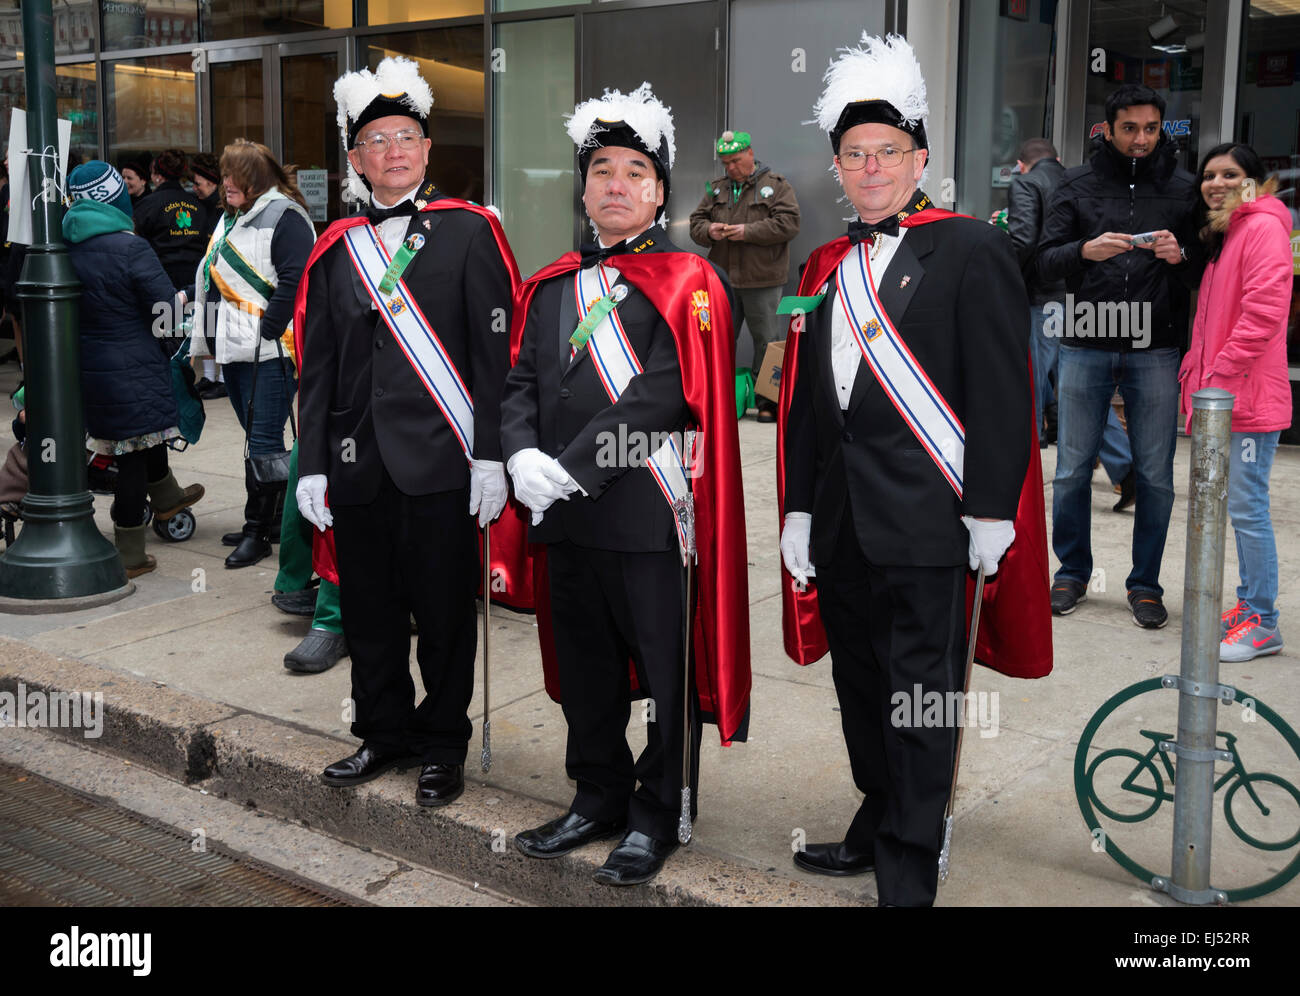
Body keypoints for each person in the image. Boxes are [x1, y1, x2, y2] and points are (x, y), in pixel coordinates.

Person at [777, 34, 1037, 907]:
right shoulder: (822, 267)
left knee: (922, 696)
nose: (870, 167)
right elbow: (810, 406)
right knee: (860, 684)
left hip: (934, 519)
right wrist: (799, 511)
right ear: (837, 168)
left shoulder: (968, 249)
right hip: (844, 516)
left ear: (920, 159)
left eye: (888, 152)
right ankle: (876, 812)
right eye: (854, 155)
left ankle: (911, 853)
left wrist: (991, 506)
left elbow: (1003, 389)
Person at [502, 83, 750, 887]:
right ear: (583, 186)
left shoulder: (691, 281)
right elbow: (519, 386)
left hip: (646, 513)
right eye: (602, 168)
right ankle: (596, 795)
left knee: (665, 675)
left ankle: (658, 812)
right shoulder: (549, 285)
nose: (616, 183)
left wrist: (567, 469)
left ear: (659, 191)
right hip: (563, 518)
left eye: (635, 171)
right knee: (587, 672)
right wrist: (517, 457)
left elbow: (667, 394)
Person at [294, 57, 518, 807]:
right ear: (354, 159)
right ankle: (383, 731)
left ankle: (442, 744)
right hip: (358, 464)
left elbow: (497, 356)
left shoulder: (470, 232)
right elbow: (319, 365)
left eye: (407, 136)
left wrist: (492, 455)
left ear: (427, 149)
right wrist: (315, 464)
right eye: (377, 140)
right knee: (370, 610)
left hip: (443, 462)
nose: (394, 150)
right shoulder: (336, 245)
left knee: (445, 612)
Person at [1036, 83, 1200, 628]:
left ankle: (1145, 585)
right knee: (1072, 469)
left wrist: (1182, 256)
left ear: (1162, 129)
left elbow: (1205, 265)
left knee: (1155, 474)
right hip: (1086, 338)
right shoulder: (1076, 184)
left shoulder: (1182, 188)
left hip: (1155, 346)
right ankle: (1071, 573)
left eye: (1151, 128)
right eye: (1129, 128)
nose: (1140, 139)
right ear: (1108, 128)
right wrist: (1083, 249)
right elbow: (1042, 261)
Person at [62, 162, 204, 577]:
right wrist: (186, 313)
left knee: (141, 438)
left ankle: (169, 498)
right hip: (135, 365)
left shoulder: (64, 246)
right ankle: (129, 554)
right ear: (116, 201)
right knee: (132, 458)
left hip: (92, 367)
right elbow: (165, 312)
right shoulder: (129, 248)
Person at [1181, 143, 1292, 662]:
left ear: (1255, 180)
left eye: (1231, 173)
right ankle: (1250, 606)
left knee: (1248, 510)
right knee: (1238, 508)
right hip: (1226, 398)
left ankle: (1263, 622)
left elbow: (1264, 312)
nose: (1216, 182)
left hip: (1243, 399)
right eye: (1209, 174)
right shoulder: (1232, 233)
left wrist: (1219, 378)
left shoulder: (1264, 227)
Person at [189, 140, 315, 569]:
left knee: (260, 444)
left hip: (271, 351)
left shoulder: (286, 217)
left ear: (256, 180)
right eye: (225, 175)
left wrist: (268, 328)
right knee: (256, 438)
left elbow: (295, 279)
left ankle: (256, 531)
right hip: (238, 348)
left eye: (233, 176)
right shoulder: (234, 217)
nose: (225, 183)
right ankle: (278, 517)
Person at [689, 129, 800, 422]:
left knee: (766, 341)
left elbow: (789, 224)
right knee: (719, 340)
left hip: (762, 279)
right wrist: (709, 231)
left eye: (736, 161)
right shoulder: (716, 188)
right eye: (725, 163)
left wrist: (747, 232)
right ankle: (720, 399)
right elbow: (696, 222)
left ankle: (767, 402)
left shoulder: (776, 186)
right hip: (723, 279)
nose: (730, 168)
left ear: (750, 153)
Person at [133, 149, 207, 304]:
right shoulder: (198, 205)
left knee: (164, 326)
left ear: (158, 176)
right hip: (195, 280)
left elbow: (136, 244)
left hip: (161, 279)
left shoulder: (147, 205)